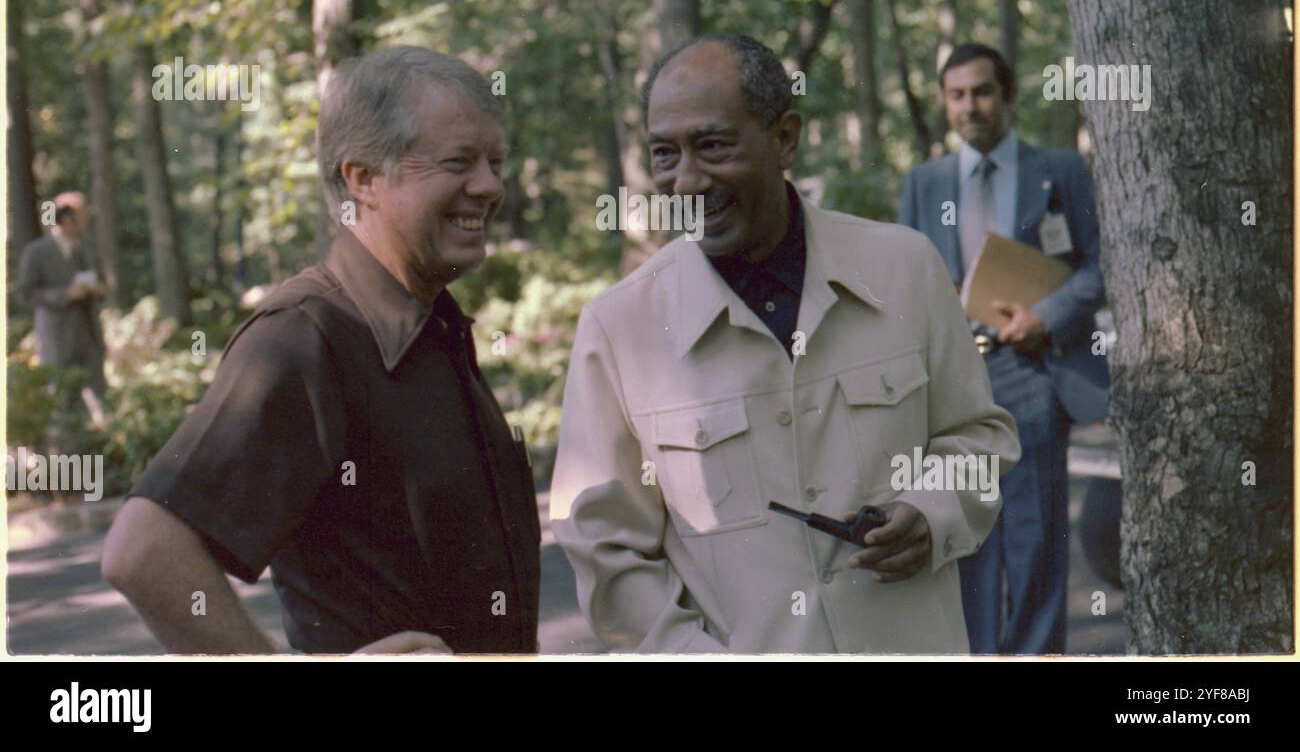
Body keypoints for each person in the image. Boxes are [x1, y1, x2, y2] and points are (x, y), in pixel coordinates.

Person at [550, 35, 1019, 653]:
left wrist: (935, 510)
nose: (688, 180)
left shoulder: (905, 267)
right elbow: (608, 553)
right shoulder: (619, 328)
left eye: (713, 146)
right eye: (666, 154)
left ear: (785, 138)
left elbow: (980, 438)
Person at [103, 46, 541, 655]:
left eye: (496, 161)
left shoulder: (431, 324)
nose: (491, 186)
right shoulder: (305, 336)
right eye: (459, 162)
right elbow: (144, 549)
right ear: (362, 179)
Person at [897, 42, 1110, 655]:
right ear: (945, 103)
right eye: (958, 95)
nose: (971, 107)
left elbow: (1098, 266)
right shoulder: (926, 181)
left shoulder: (1060, 171)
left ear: (1008, 95)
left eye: (983, 92)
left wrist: (1045, 316)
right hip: (951, 381)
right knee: (967, 537)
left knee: (1036, 538)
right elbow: (903, 282)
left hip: (1030, 372)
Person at [16, 191, 108, 405]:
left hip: (90, 334)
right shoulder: (37, 251)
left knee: (98, 393)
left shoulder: (87, 247)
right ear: (66, 218)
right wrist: (64, 294)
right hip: (57, 337)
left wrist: (99, 290)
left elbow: (102, 280)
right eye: (82, 215)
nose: (87, 220)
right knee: (62, 396)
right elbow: (25, 295)